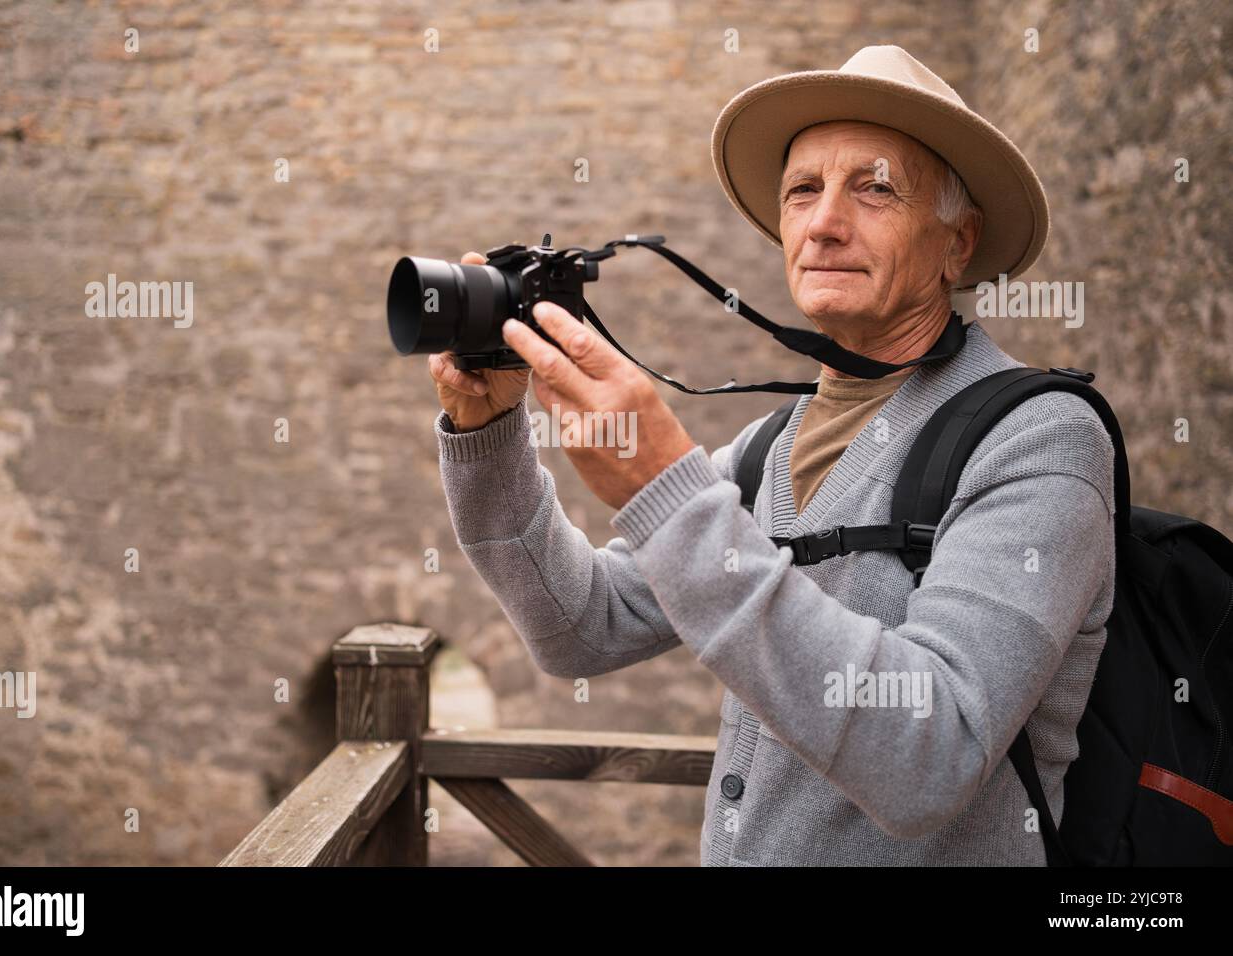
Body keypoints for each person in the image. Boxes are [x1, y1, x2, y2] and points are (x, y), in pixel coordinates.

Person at [427, 46, 1114, 865]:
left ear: (957, 245)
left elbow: (932, 756)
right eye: (802, 191)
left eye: (876, 187)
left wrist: (664, 489)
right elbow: (582, 628)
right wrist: (490, 435)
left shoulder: (1042, 439)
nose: (824, 222)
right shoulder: (769, 448)